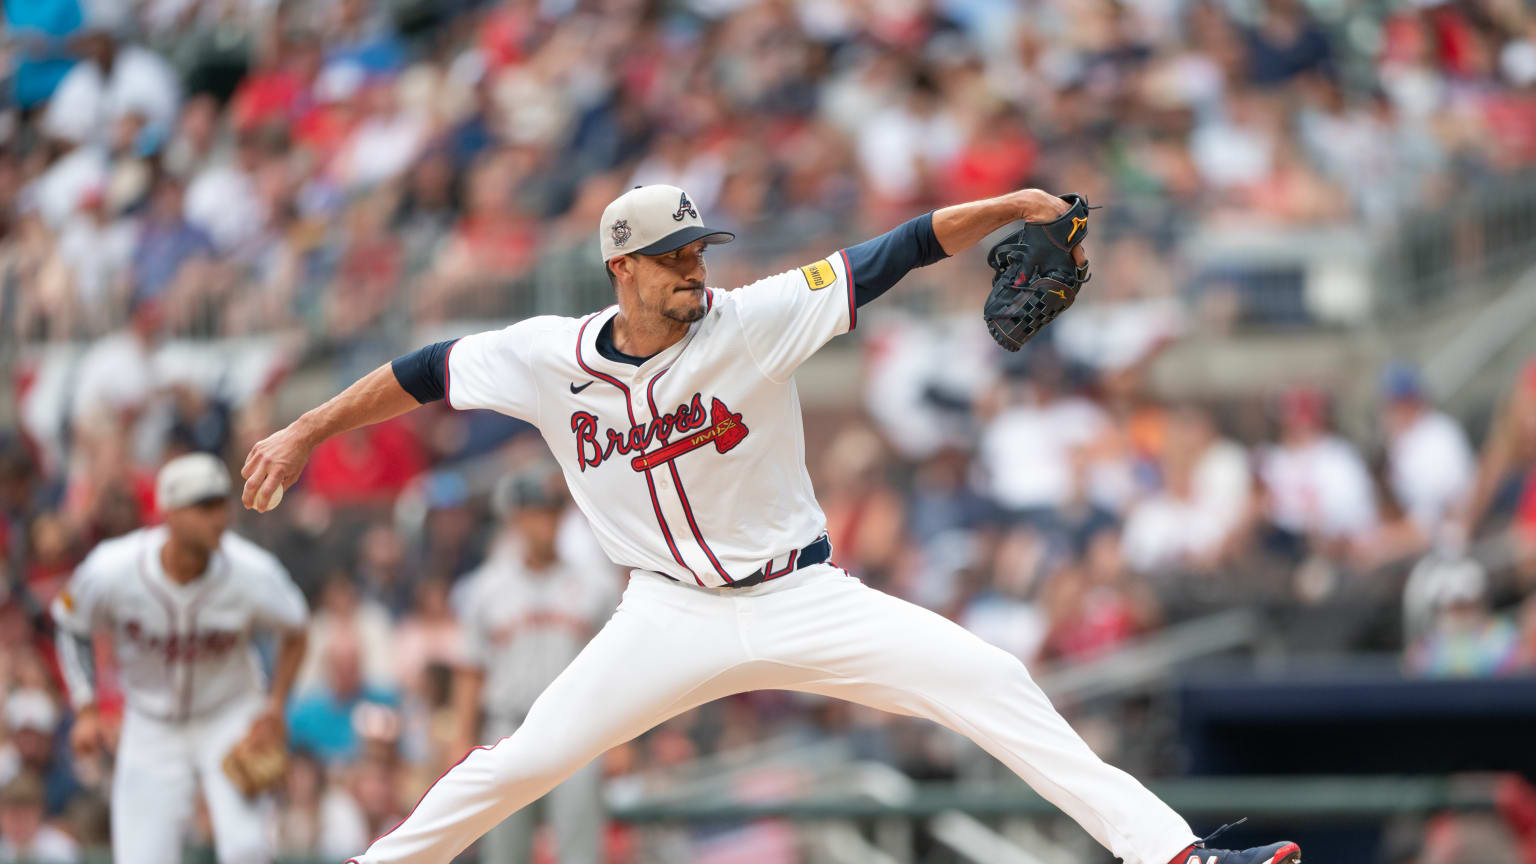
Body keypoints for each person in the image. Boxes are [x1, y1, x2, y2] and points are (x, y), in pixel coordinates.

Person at [242, 184, 1300, 864]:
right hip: (663, 617)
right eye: (673, 256)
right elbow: (421, 374)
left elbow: (896, 250)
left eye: (699, 248)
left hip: (804, 596)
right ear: (623, 270)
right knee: (517, 767)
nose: (696, 266)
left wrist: (1011, 203)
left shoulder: (752, 317)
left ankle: (1173, 856)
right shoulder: (545, 354)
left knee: (992, 683)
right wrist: (302, 430)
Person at [51, 452, 310, 864]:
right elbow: (69, 620)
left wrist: (275, 705)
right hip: (151, 723)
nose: (217, 517)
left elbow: (296, 628)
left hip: (230, 715)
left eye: (221, 504)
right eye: (202, 505)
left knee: (248, 850)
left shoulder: (250, 571)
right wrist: (85, 707)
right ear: (168, 512)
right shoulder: (114, 567)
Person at [452, 468, 619, 864]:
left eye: (552, 511)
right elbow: (471, 671)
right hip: (509, 727)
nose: (546, 521)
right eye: (536, 512)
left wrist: (620, 740)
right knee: (503, 851)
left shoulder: (596, 585)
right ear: (517, 518)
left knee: (580, 852)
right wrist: (463, 739)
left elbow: (614, 670)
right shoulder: (485, 588)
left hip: (576, 731)